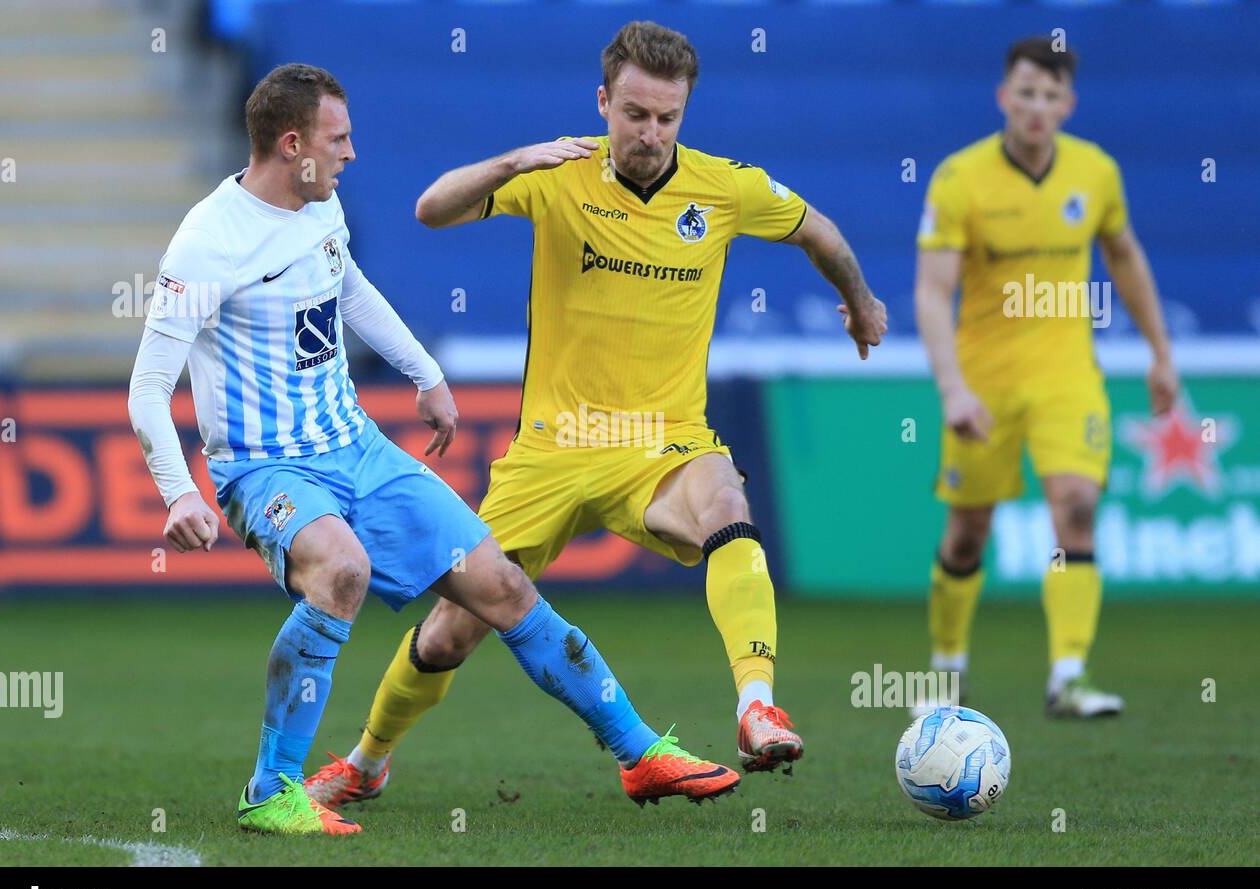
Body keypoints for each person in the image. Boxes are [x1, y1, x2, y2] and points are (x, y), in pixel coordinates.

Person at [127, 63, 740, 835]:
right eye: (338, 137)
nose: (352, 152)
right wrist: (178, 491)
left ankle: (638, 752)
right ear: (293, 144)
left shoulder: (321, 205)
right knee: (340, 570)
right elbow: (148, 387)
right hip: (265, 466)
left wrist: (425, 374)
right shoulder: (207, 244)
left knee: (504, 588)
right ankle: (271, 790)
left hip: (358, 448)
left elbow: (346, 287)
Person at [307, 21, 887, 810]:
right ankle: (367, 762)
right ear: (604, 101)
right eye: (636, 114)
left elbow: (818, 230)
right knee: (451, 631)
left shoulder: (724, 188)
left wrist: (858, 302)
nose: (651, 134)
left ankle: (756, 705)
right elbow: (430, 210)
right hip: (552, 449)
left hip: (664, 443)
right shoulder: (558, 173)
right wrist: (514, 160)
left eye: (668, 118)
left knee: (726, 504)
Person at [913, 38, 1179, 718]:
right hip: (985, 380)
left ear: (1068, 104)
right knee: (969, 531)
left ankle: (1069, 676)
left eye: (1049, 96)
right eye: (1024, 93)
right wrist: (952, 388)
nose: (1036, 108)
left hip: (1067, 374)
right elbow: (931, 290)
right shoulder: (958, 179)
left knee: (1077, 508)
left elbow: (1125, 257)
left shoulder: (1095, 172)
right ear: (1004, 97)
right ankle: (946, 674)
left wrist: (1161, 353)